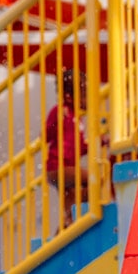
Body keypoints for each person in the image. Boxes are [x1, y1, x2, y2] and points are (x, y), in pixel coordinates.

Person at [45, 68, 88, 226]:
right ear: (69, 97)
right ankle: (71, 214)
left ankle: (66, 226)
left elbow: (78, 147)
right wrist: (58, 122)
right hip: (57, 168)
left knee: (70, 214)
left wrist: (100, 142)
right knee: (93, 179)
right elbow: (45, 136)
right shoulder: (60, 112)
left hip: (67, 167)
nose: (87, 100)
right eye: (84, 96)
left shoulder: (77, 117)